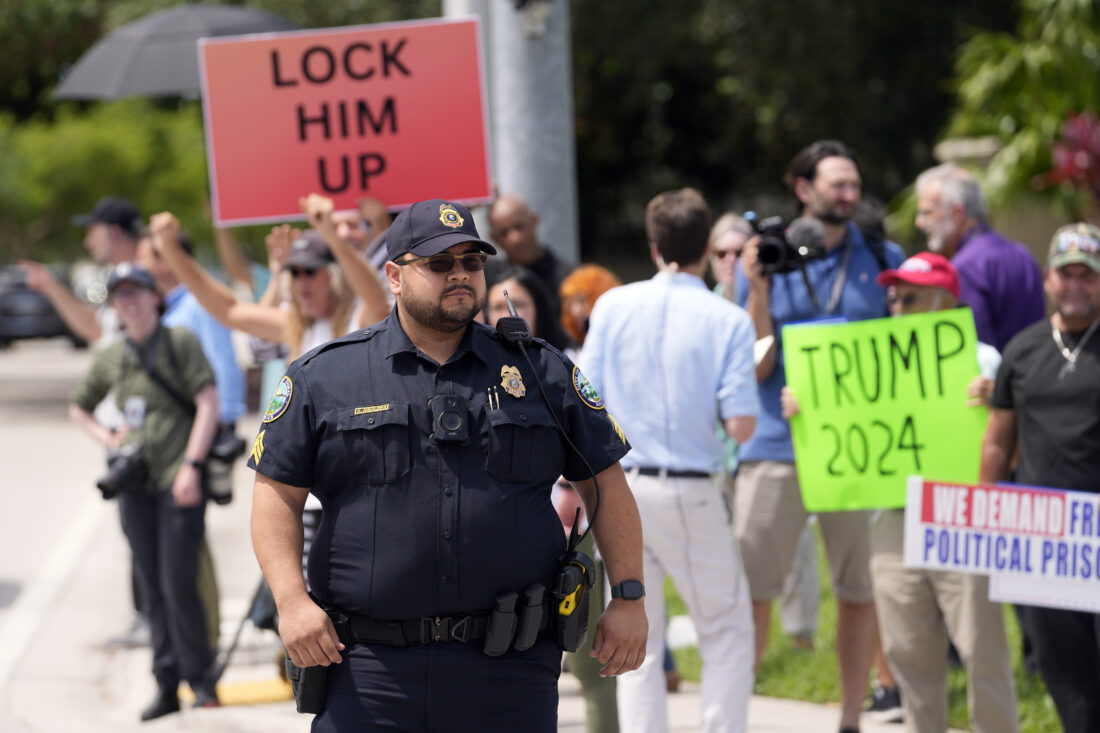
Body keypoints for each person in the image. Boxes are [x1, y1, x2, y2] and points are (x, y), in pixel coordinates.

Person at [248, 198, 647, 731]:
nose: (459, 274)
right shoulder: (326, 376)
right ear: (394, 276)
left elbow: (605, 483)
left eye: (472, 261)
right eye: (439, 263)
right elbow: (276, 494)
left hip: (509, 670)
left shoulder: (540, 371)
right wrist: (291, 601)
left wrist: (629, 596)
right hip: (367, 670)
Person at [783, 252, 1019, 733]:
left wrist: (994, 399)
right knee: (908, 651)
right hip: (893, 522)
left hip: (960, 516)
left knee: (982, 648)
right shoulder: (869, 359)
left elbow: (1011, 448)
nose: (898, 306)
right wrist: (806, 408)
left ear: (944, 301)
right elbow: (845, 427)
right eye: (894, 298)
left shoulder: (981, 359)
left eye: (910, 298)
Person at [734, 140, 905, 733]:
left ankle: (852, 719)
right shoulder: (768, 257)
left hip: (854, 450)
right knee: (752, 592)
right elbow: (756, 367)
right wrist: (757, 292)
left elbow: (901, 355)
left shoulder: (882, 255)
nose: (849, 194)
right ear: (804, 189)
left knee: (859, 592)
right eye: (837, 184)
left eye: (854, 184)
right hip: (776, 447)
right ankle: (733, 718)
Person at [582, 187, 759, 733]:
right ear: (707, 247)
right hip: (690, 487)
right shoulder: (728, 318)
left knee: (636, 634)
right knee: (726, 631)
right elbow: (741, 425)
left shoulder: (612, 305)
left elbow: (587, 400)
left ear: (655, 247)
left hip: (622, 485)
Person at [68, 263, 220, 720]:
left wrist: (192, 466)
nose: (129, 302)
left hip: (178, 479)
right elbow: (79, 407)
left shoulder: (179, 341)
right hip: (135, 486)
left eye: (136, 292)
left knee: (179, 583)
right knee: (150, 588)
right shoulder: (113, 355)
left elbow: (207, 402)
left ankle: (201, 679)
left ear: (155, 297)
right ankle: (166, 683)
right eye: (120, 295)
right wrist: (108, 439)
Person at [980, 223, 1100, 732]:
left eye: (1087, 275)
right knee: (1061, 664)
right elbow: (997, 441)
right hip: (1042, 536)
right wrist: (983, 512)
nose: (1075, 285)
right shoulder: (1022, 350)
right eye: (1065, 274)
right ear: (1048, 278)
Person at [149, 194, 390, 360]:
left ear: (332, 277)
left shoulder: (356, 320)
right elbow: (228, 310)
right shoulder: (299, 326)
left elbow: (377, 300)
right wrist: (172, 252)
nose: (301, 281)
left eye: (310, 271)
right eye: (294, 272)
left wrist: (331, 236)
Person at [914, 163, 1045, 352]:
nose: (919, 222)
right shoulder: (1023, 254)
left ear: (957, 213)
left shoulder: (964, 268)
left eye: (927, 212)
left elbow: (974, 355)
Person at [20, 195, 143, 344]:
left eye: (92, 232)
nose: (87, 242)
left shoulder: (146, 279)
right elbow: (96, 327)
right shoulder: (125, 276)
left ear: (114, 232)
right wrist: (50, 286)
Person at [488, 194, 574, 313]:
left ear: (534, 220)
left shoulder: (569, 278)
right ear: (494, 238)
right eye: (503, 233)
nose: (515, 239)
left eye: (519, 227)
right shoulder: (491, 282)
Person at [484, 262, 574, 352]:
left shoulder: (568, 356)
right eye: (498, 307)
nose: (506, 315)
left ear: (539, 308)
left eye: (518, 305)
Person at [559, 264, 622, 348]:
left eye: (582, 301)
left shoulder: (619, 343)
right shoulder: (572, 349)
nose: (575, 311)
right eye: (571, 303)